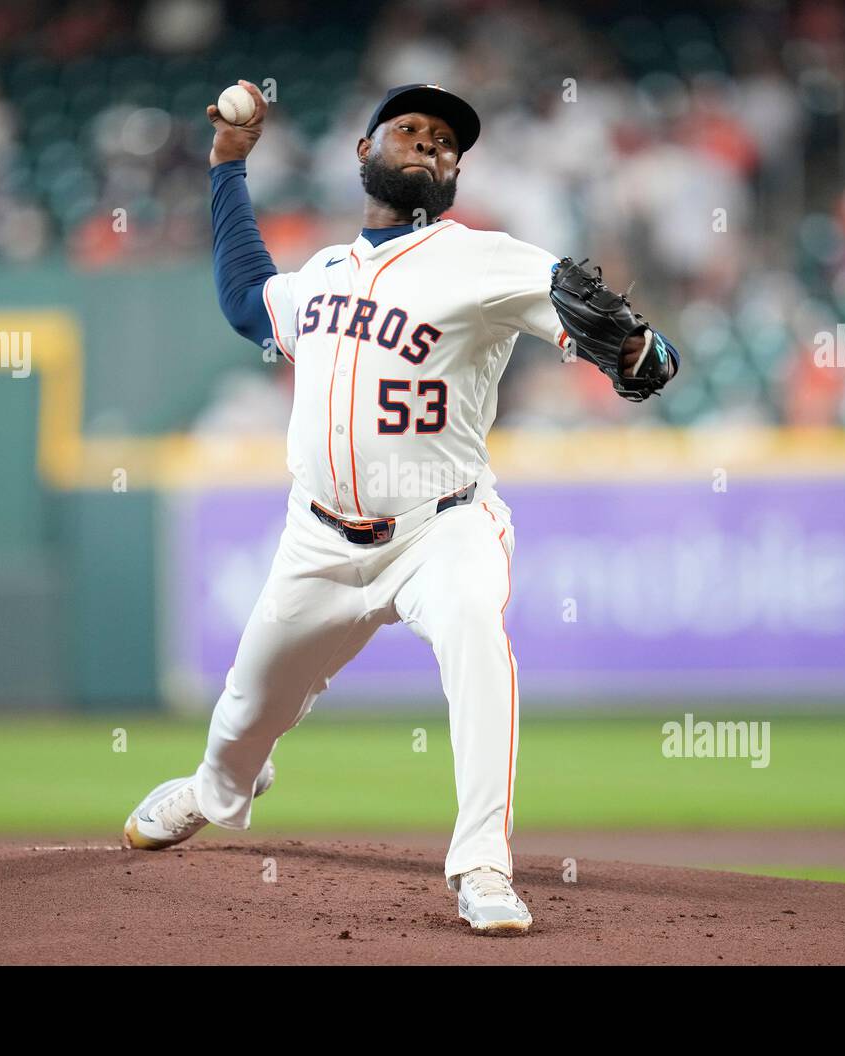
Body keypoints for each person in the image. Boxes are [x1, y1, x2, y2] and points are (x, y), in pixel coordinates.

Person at [123, 81, 678, 934]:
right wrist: (228, 169)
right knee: (241, 721)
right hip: (317, 543)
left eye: (446, 142)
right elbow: (246, 301)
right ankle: (214, 790)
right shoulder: (324, 274)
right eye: (409, 130)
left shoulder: (487, 259)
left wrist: (643, 350)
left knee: (472, 631)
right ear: (364, 152)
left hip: (442, 528)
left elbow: (621, 340)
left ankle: (483, 864)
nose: (429, 145)